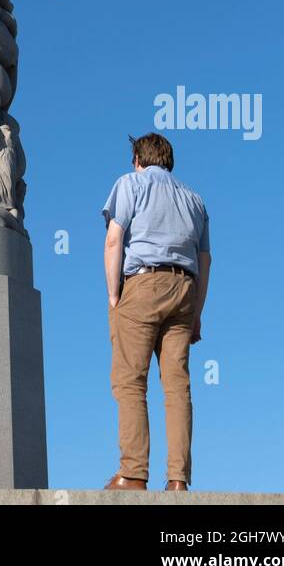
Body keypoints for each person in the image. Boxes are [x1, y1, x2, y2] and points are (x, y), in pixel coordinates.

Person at [101, 133, 211, 491]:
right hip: (185, 289)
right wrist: (197, 312)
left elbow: (115, 239)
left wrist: (114, 294)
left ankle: (133, 472)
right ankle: (178, 479)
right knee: (177, 388)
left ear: (137, 159)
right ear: (169, 161)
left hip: (143, 284)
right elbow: (205, 259)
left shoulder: (131, 184)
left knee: (130, 380)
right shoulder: (195, 200)